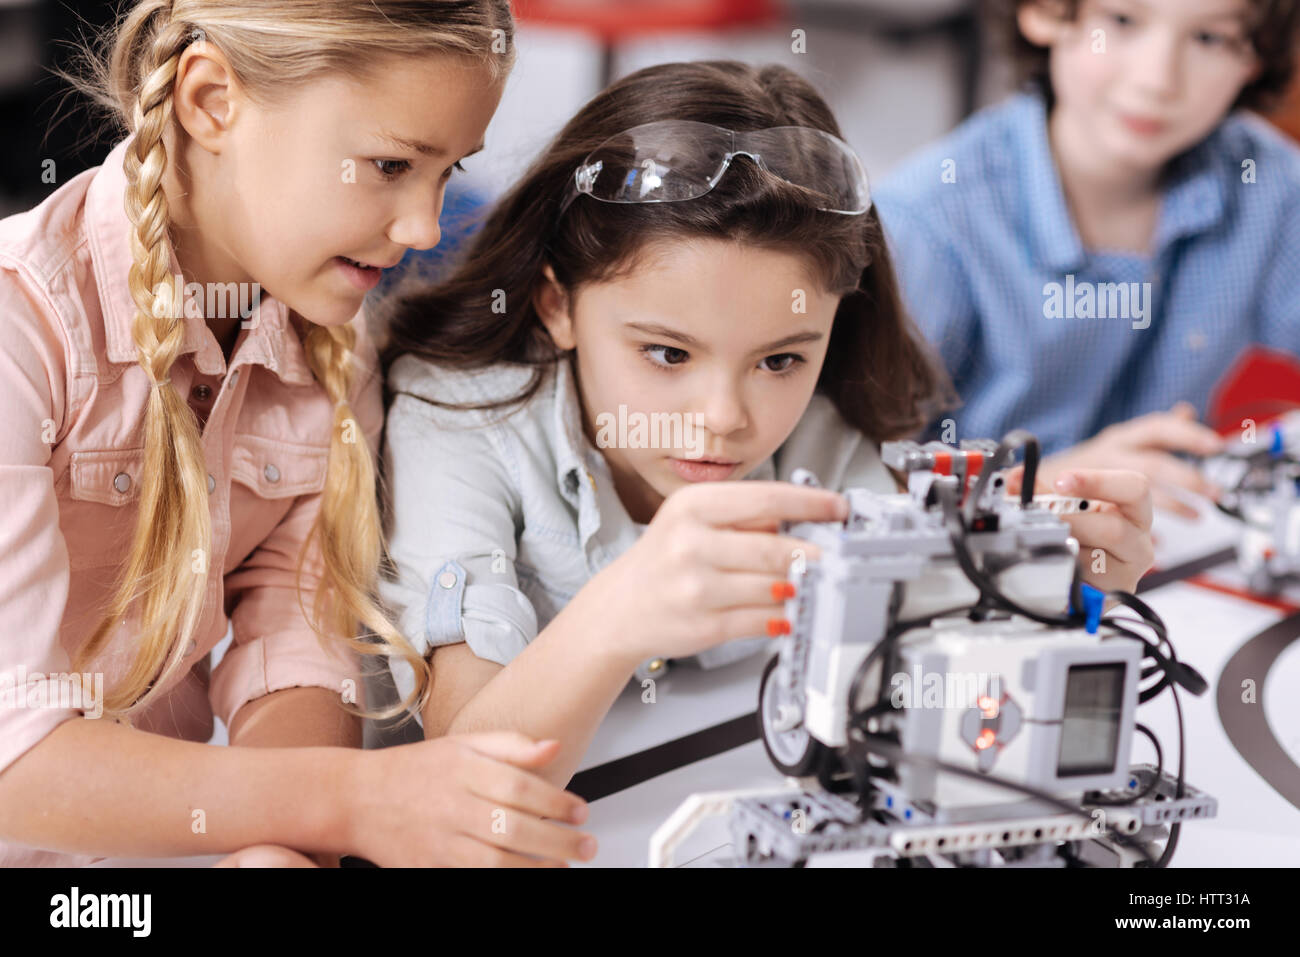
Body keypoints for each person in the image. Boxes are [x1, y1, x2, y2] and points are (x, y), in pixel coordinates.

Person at [378, 60, 1157, 786]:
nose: (725, 418)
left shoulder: (827, 438)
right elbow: (467, 773)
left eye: (780, 360)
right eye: (666, 353)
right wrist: (618, 611)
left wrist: (1056, 587)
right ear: (557, 306)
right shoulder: (457, 421)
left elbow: (936, 665)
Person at [0, 0, 594, 868]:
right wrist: (356, 804)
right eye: (390, 164)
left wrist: (286, 848)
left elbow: (293, 641)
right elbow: (17, 760)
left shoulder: (332, 350)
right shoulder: (22, 334)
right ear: (210, 102)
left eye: (446, 172)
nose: (426, 227)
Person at [874, 0, 1300, 517]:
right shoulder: (926, 224)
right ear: (1046, 12)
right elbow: (853, 492)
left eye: (1210, 39)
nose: (1158, 80)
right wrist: (1042, 485)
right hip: (971, 569)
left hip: (1170, 554)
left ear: (1255, 56)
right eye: (1121, 22)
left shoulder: (1269, 182)